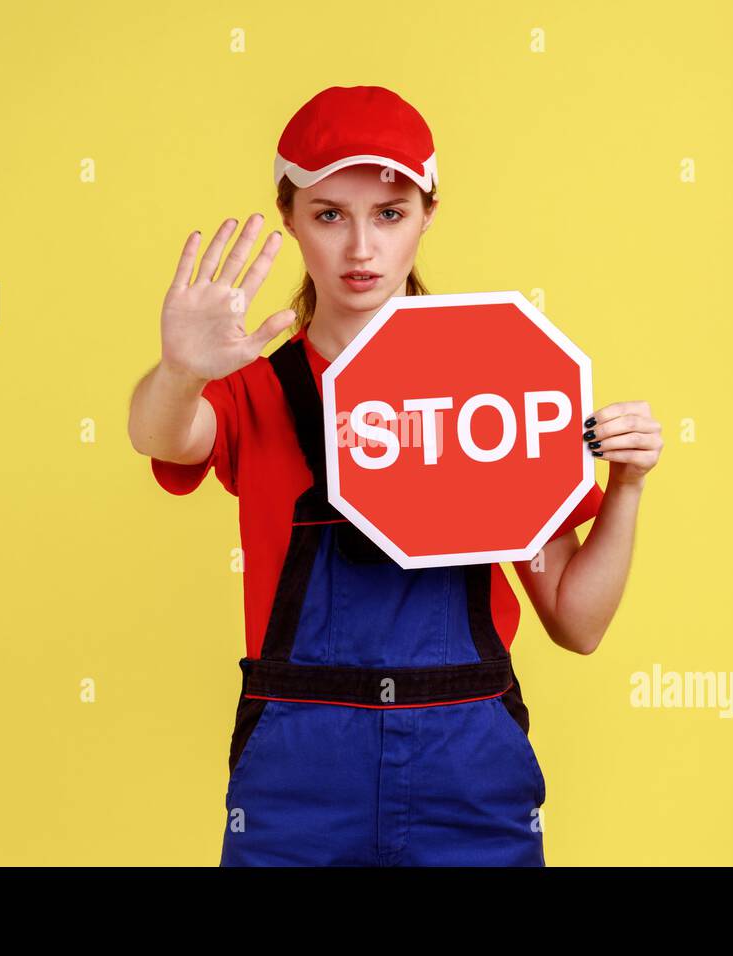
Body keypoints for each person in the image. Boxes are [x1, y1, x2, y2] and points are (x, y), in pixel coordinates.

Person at [128, 85, 662, 866]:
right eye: (329, 213)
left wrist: (629, 486)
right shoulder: (255, 388)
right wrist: (179, 371)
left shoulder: (495, 391)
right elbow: (164, 436)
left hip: (470, 780)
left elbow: (577, 622)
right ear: (289, 216)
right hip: (296, 789)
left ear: (428, 214)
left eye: (389, 213)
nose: (360, 250)